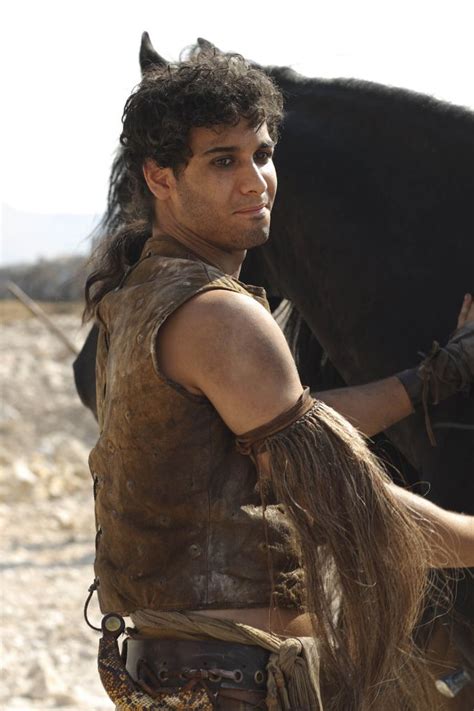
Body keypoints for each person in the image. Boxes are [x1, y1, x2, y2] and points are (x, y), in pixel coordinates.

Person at [83, 50, 474, 710]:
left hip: (175, 670)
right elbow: (349, 502)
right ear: (160, 177)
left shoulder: (138, 301)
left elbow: (292, 421)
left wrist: (432, 377)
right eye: (222, 161)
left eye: (262, 154)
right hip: (238, 681)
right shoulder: (222, 316)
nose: (255, 182)